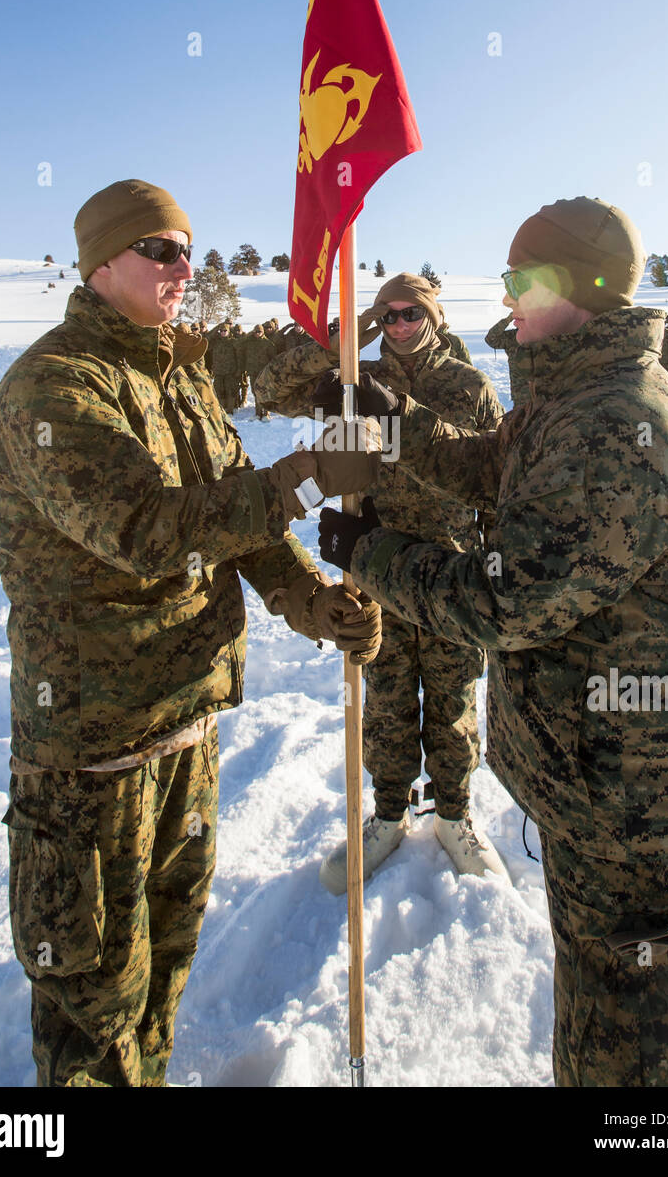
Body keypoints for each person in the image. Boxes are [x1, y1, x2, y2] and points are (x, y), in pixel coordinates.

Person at [283, 196, 668, 1086]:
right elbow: (485, 465)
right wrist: (390, 417)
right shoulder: (569, 396)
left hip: (638, 803)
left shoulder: (614, 423)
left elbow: (505, 604)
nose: (510, 298)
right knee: (600, 1023)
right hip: (598, 785)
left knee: (640, 1057)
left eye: (524, 279)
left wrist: (370, 553)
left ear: (581, 286)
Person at [0, 177, 382, 1087]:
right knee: (94, 1007)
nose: (182, 267)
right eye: (159, 249)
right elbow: (145, 531)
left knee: (163, 970)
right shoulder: (53, 386)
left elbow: (235, 510)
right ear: (101, 263)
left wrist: (311, 599)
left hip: (184, 730)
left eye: (187, 248)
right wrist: (308, 474)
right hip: (92, 756)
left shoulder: (177, 373)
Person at [256, 274, 506, 890]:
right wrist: (338, 343)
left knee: (451, 704)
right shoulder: (354, 382)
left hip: (450, 573)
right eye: (386, 316)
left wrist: (496, 570)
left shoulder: (468, 387)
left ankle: (454, 814)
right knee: (387, 700)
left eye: (409, 315)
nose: (397, 327)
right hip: (373, 566)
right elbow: (267, 391)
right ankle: (389, 813)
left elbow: (499, 480)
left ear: (434, 318)